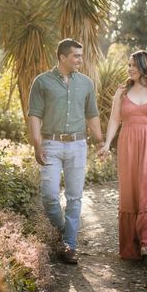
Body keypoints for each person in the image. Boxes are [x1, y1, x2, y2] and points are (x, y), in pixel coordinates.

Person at [27, 39, 103, 265]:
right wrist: (36, 143)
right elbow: (34, 115)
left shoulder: (86, 84)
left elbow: (92, 115)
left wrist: (100, 141)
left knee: (74, 197)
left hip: (78, 145)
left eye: (81, 56)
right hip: (51, 144)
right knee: (49, 195)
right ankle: (63, 228)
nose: (81, 60)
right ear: (62, 57)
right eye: (76, 56)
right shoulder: (42, 82)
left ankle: (69, 244)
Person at [96, 50, 147, 261]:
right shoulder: (122, 91)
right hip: (127, 144)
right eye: (128, 65)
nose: (129, 68)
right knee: (130, 192)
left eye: (133, 65)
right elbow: (114, 120)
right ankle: (131, 244)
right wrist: (108, 144)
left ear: (144, 66)